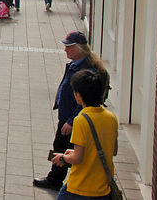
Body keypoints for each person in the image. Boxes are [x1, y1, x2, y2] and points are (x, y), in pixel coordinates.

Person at [34, 31, 110, 192]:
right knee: (60, 145)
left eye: (69, 47)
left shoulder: (87, 70)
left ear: (79, 48)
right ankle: (55, 177)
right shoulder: (75, 64)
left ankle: (56, 179)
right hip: (67, 114)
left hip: (73, 118)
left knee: (63, 146)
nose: (65, 50)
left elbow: (85, 99)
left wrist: (70, 120)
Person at [50, 70, 118, 200]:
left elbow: (78, 158)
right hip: (103, 187)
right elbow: (113, 150)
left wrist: (62, 158)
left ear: (78, 96)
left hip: (80, 186)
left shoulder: (81, 120)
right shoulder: (111, 117)